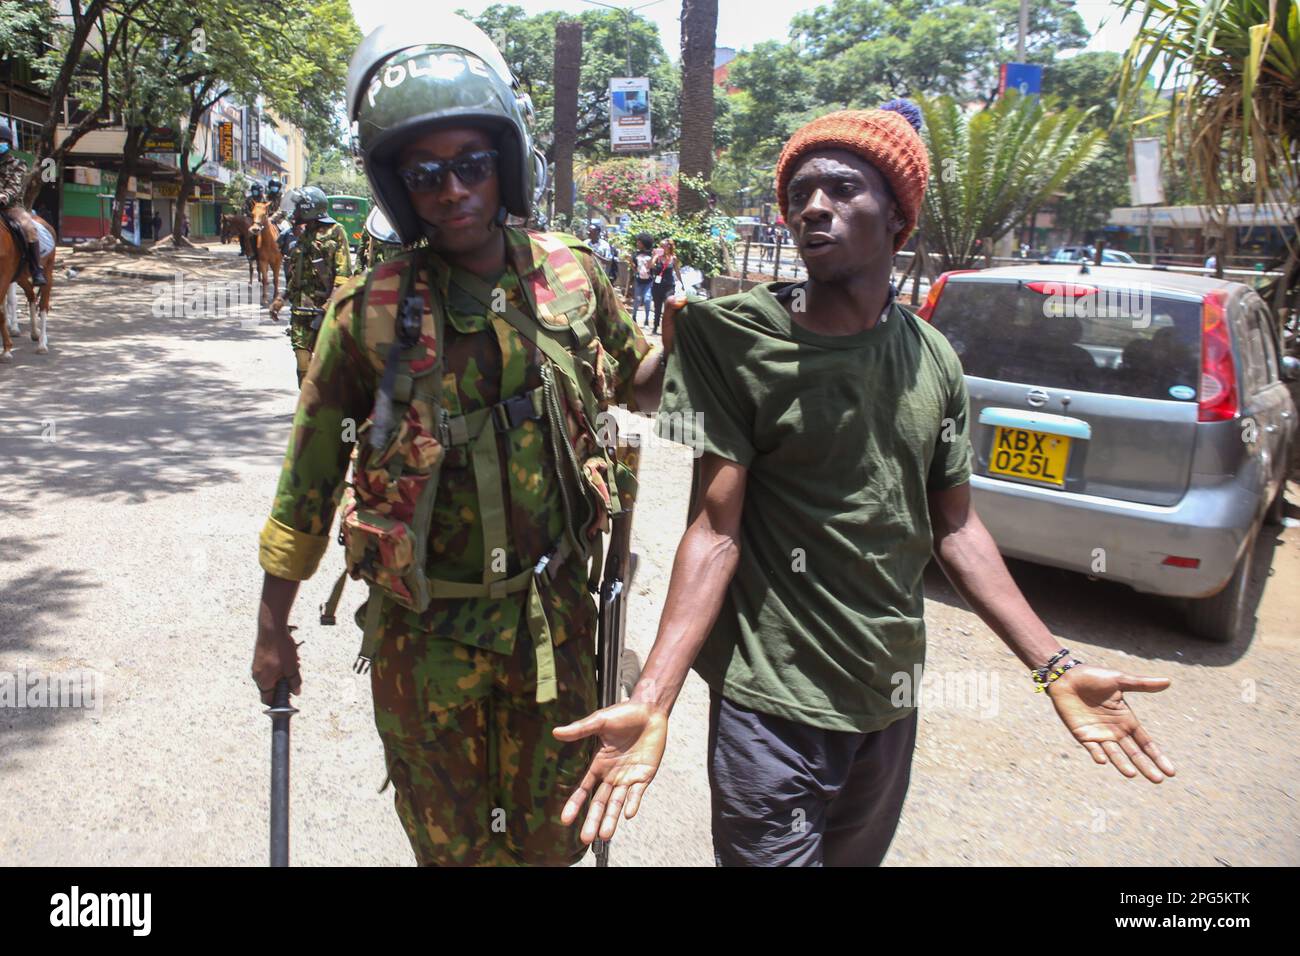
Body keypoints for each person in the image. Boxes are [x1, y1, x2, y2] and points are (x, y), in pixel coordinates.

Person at [554, 100, 1176, 867]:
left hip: (889, 699)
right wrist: (653, 700)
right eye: (799, 194)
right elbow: (714, 533)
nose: (813, 206)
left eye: (843, 188)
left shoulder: (935, 359)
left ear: (898, 219)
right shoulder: (740, 338)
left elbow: (956, 529)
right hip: (770, 707)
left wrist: (1055, 666)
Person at [250, 13, 670, 867]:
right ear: (401, 187)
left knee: (553, 844)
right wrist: (271, 630)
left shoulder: (573, 276)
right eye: (427, 172)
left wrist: (696, 346)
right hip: (426, 638)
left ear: (503, 164)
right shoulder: (366, 313)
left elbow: (645, 385)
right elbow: (307, 483)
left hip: (552, 625)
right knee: (455, 856)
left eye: (471, 165)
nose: (452, 190)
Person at [276, 185, 352, 387]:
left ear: (310, 209)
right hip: (301, 309)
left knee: (329, 361)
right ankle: (308, 401)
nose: (295, 211)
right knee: (301, 358)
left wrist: (331, 303)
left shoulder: (336, 232)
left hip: (325, 310)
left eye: (299, 207)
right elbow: (296, 274)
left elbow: (343, 274)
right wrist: (281, 299)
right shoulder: (303, 234)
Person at [0, 118, 47, 287]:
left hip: (11, 207)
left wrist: (4, 195)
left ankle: (36, 270)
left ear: (8, 143)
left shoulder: (18, 164)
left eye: (2, 141)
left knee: (29, 228)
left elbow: (14, 186)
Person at [649, 238, 681, 335]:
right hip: (657, 285)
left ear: (669, 247)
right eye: (660, 246)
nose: (662, 248)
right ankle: (655, 326)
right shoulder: (657, 257)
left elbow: (677, 271)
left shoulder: (673, 258)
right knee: (657, 306)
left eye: (663, 246)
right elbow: (651, 266)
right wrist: (655, 256)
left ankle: (668, 327)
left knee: (668, 304)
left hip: (669, 285)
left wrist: (682, 283)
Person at [630, 232, 655, 328]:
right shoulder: (635, 254)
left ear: (644, 243)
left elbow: (652, 266)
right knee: (637, 299)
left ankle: (646, 320)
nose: (637, 244)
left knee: (648, 299)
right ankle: (634, 316)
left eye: (639, 242)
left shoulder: (651, 254)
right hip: (639, 280)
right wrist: (631, 263)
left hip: (648, 280)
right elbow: (635, 268)